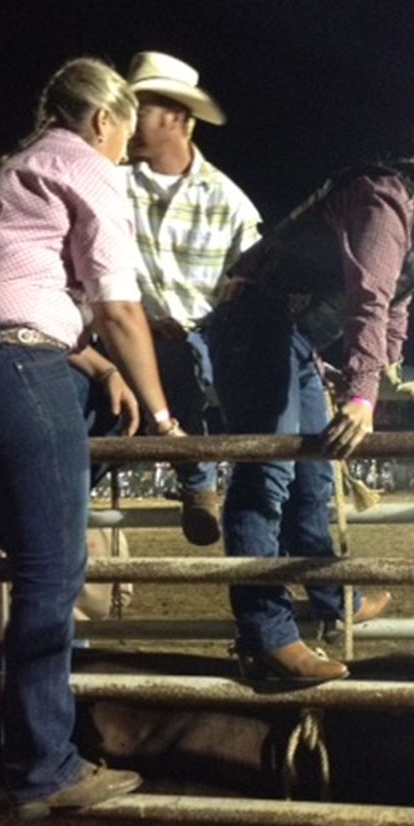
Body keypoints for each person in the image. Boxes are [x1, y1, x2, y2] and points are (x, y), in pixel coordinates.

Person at [0, 57, 181, 817]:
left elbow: (4, 295)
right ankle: (44, 765)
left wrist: (101, 369)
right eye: (126, 138)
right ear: (103, 120)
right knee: (54, 574)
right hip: (14, 366)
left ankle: (7, 514)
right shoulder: (83, 164)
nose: (125, 154)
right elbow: (118, 304)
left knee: (97, 403)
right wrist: (163, 417)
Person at [208, 102, 414, 681]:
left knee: (314, 475)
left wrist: (387, 366)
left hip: (288, 336)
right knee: (267, 474)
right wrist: (362, 392)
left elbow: (396, 305)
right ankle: (266, 634)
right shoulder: (385, 197)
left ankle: (331, 596)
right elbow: (369, 296)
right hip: (257, 324)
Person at [122, 51, 262, 546]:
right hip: (131, 342)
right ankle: (200, 485)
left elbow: (254, 283)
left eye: (135, 109)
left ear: (176, 118)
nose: (123, 121)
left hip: (205, 346)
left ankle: (202, 484)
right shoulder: (109, 185)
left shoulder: (229, 202)